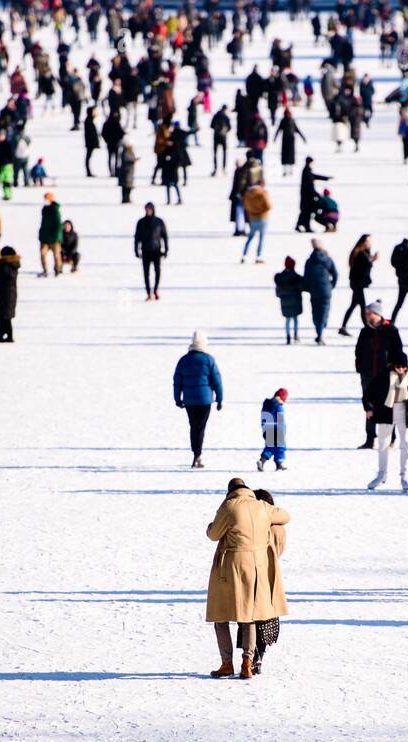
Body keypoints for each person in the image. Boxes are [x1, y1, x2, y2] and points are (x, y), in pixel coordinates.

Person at [205, 477, 290, 679]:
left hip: (231, 566)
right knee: (248, 615)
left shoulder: (228, 506)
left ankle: (226, 663)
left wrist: (210, 526)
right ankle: (247, 662)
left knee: (220, 615)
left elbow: (214, 534)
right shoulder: (262, 506)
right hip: (257, 566)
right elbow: (285, 516)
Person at [365, 353, 408, 493]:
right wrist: (369, 408)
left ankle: (404, 476)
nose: (400, 369)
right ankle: (382, 473)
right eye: (397, 366)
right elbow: (369, 392)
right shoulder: (384, 375)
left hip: (405, 414)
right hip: (385, 412)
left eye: (403, 367)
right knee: (383, 444)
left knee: (406, 444)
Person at [248, 487, 288, 676]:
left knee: (249, 617)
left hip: (252, 572)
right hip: (271, 578)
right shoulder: (279, 527)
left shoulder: (255, 525)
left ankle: (251, 655)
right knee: (265, 619)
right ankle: (260, 656)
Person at [354, 301, 403, 448]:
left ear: (378, 314)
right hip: (368, 375)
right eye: (366, 313)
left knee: (388, 405)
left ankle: (391, 439)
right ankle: (370, 438)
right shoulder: (365, 331)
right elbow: (358, 351)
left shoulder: (391, 331)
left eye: (370, 313)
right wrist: (360, 367)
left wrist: (396, 369)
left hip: (386, 375)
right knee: (369, 406)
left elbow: (398, 351)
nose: (367, 316)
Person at [174, 331, 223, 469]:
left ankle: (196, 454)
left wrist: (177, 399)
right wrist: (219, 399)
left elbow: (177, 381)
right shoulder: (208, 360)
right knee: (200, 428)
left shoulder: (184, 360)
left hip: (189, 401)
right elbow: (216, 381)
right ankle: (197, 455)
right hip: (205, 400)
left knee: (194, 427)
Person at [302, 238, 338, 344]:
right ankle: (321, 330)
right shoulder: (327, 259)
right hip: (326, 290)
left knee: (315, 312)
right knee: (324, 311)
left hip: (314, 290)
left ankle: (319, 330)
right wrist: (331, 285)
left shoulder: (309, 261)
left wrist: (308, 287)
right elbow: (335, 274)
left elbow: (306, 277)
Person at [339, 234, 376, 333]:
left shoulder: (361, 252)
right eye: (368, 241)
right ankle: (367, 326)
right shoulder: (360, 253)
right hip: (357, 283)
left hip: (356, 283)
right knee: (362, 305)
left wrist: (371, 259)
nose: (369, 244)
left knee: (353, 305)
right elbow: (364, 267)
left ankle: (343, 327)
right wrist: (372, 260)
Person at [134, 201, 168, 300]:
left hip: (156, 251)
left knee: (157, 272)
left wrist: (166, 249)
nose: (148, 211)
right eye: (147, 209)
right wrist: (136, 250)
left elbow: (164, 236)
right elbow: (137, 237)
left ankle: (155, 290)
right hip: (145, 251)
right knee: (146, 273)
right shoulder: (141, 222)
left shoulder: (159, 221)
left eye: (150, 209)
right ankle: (148, 293)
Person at [0, 245, 20, 342]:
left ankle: (9, 336)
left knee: (6, 317)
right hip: (3, 293)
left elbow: (6, 275)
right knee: (1, 316)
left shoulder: (11, 265)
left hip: (8, 294)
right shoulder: (6, 264)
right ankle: (1, 334)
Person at [274, 256, 304, 344]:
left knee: (287, 320)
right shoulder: (297, 277)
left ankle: (288, 336)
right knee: (295, 319)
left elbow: (278, 292)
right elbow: (301, 287)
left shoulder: (280, 278)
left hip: (285, 303)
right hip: (295, 302)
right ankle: (295, 335)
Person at [257, 388, 288, 470]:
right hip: (277, 430)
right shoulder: (279, 407)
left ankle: (262, 460)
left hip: (267, 429)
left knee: (270, 447)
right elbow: (280, 421)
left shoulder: (267, 405)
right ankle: (279, 463)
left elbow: (264, 417)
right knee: (280, 447)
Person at [37, 191, 61, 275]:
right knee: (42, 254)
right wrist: (41, 235)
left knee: (56, 255)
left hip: (54, 238)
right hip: (44, 238)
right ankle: (45, 270)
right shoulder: (44, 209)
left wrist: (56, 237)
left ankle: (57, 269)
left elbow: (58, 225)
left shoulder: (55, 210)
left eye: (46, 199)